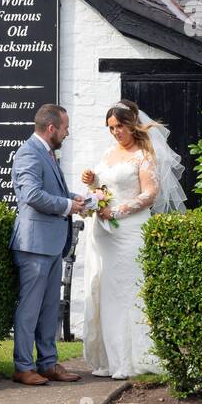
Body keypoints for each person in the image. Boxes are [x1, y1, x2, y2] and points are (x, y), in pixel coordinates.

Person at [79, 100, 186, 379]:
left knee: (129, 291)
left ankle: (135, 360)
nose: (115, 132)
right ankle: (111, 359)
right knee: (105, 291)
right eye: (111, 128)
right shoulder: (108, 153)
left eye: (119, 126)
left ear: (131, 124)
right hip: (104, 233)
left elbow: (149, 193)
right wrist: (91, 184)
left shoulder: (144, 155)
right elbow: (104, 188)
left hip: (130, 231)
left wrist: (116, 210)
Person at [9, 103, 86, 386]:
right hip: (34, 245)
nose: (67, 133)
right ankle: (23, 366)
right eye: (65, 128)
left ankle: (48, 363)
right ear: (51, 128)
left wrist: (78, 200)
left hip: (51, 244)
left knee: (49, 308)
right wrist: (68, 206)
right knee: (30, 309)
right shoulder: (29, 152)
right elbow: (32, 195)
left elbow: (57, 192)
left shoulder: (47, 152)